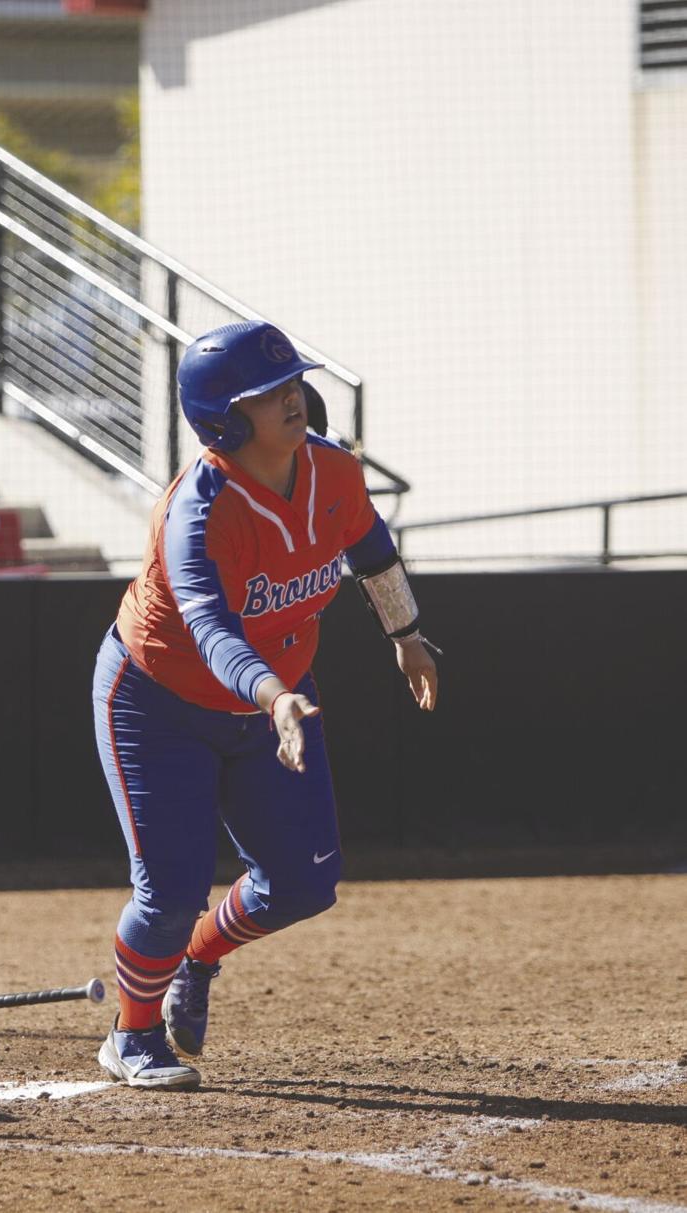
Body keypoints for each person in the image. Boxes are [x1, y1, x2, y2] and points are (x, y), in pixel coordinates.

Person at [92, 320, 439, 1091]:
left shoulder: (332, 471)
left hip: (276, 700)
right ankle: (132, 1034)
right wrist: (274, 694)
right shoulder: (198, 511)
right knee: (171, 891)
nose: (291, 399)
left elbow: (371, 547)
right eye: (266, 393)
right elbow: (210, 628)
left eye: (290, 384)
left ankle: (199, 956)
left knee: (303, 883)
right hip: (158, 701)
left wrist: (406, 633)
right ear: (224, 415)